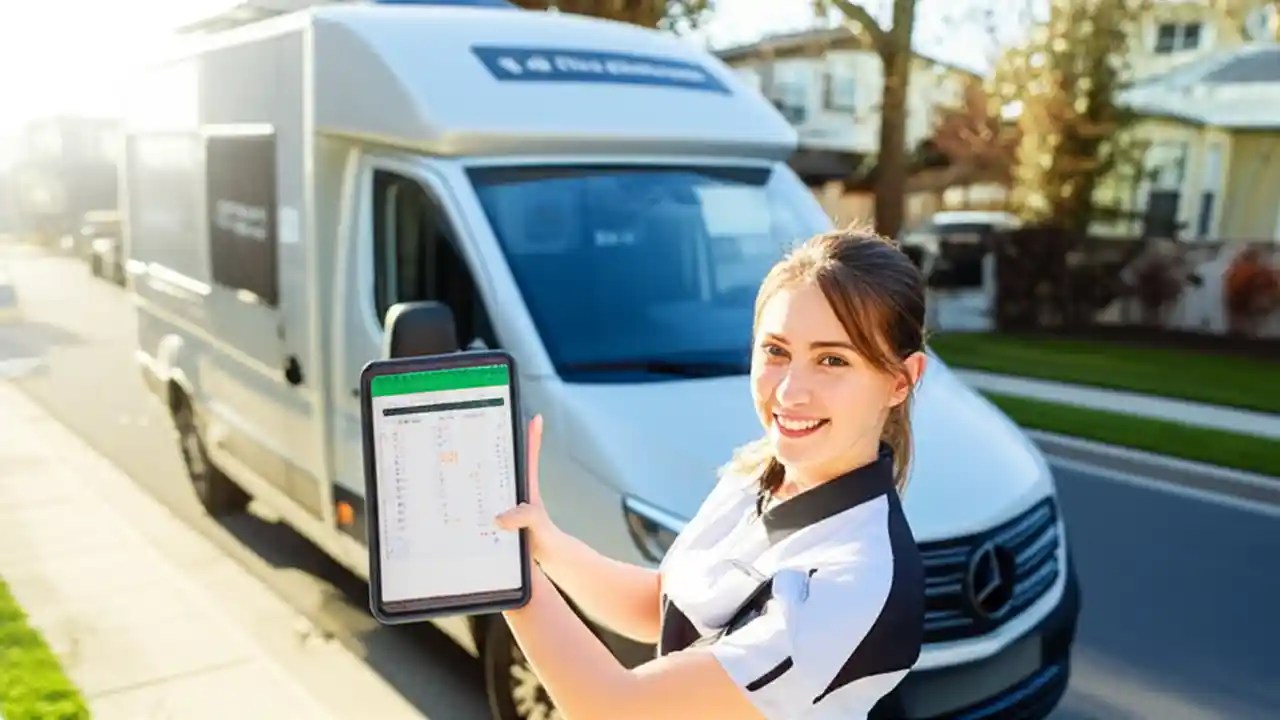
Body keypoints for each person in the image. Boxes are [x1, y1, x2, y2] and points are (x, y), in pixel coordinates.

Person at [495, 225, 929, 720]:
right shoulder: (758, 473)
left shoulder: (855, 580)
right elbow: (657, 602)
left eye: (832, 360)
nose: (789, 392)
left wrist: (504, 579)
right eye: (776, 351)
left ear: (901, 380)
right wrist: (542, 542)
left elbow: (615, 708)